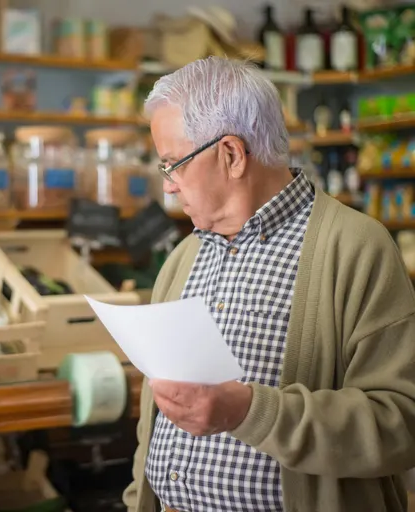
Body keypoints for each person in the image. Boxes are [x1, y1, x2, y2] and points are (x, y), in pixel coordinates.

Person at [122, 56, 415, 512]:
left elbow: (400, 425)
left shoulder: (356, 248)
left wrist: (247, 411)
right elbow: (154, 429)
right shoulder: (182, 260)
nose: (169, 188)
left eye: (171, 165)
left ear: (232, 155)